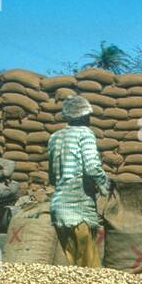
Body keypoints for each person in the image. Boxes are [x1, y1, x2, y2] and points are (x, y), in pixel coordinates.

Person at [47, 96, 110, 267]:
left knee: (72, 265)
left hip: (59, 208)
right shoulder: (85, 134)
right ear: (84, 117)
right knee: (89, 267)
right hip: (79, 210)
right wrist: (106, 186)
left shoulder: (55, 137)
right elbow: (92, 167)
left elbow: (52, 176)